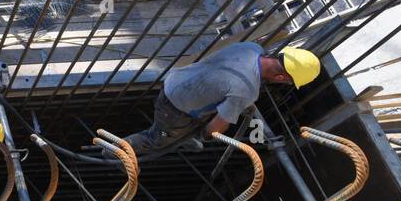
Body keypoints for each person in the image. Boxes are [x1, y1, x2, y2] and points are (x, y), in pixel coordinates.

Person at [124, 43, 320, 155]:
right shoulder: (247, 90)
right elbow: (217, 127)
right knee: (159, 139)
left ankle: (184, 136)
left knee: (202, 117)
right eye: (287, 82)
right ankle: (116, 150)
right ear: (281, 77)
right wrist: (205, 137)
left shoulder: (251, 48)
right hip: (176, 107)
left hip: (177, 79)